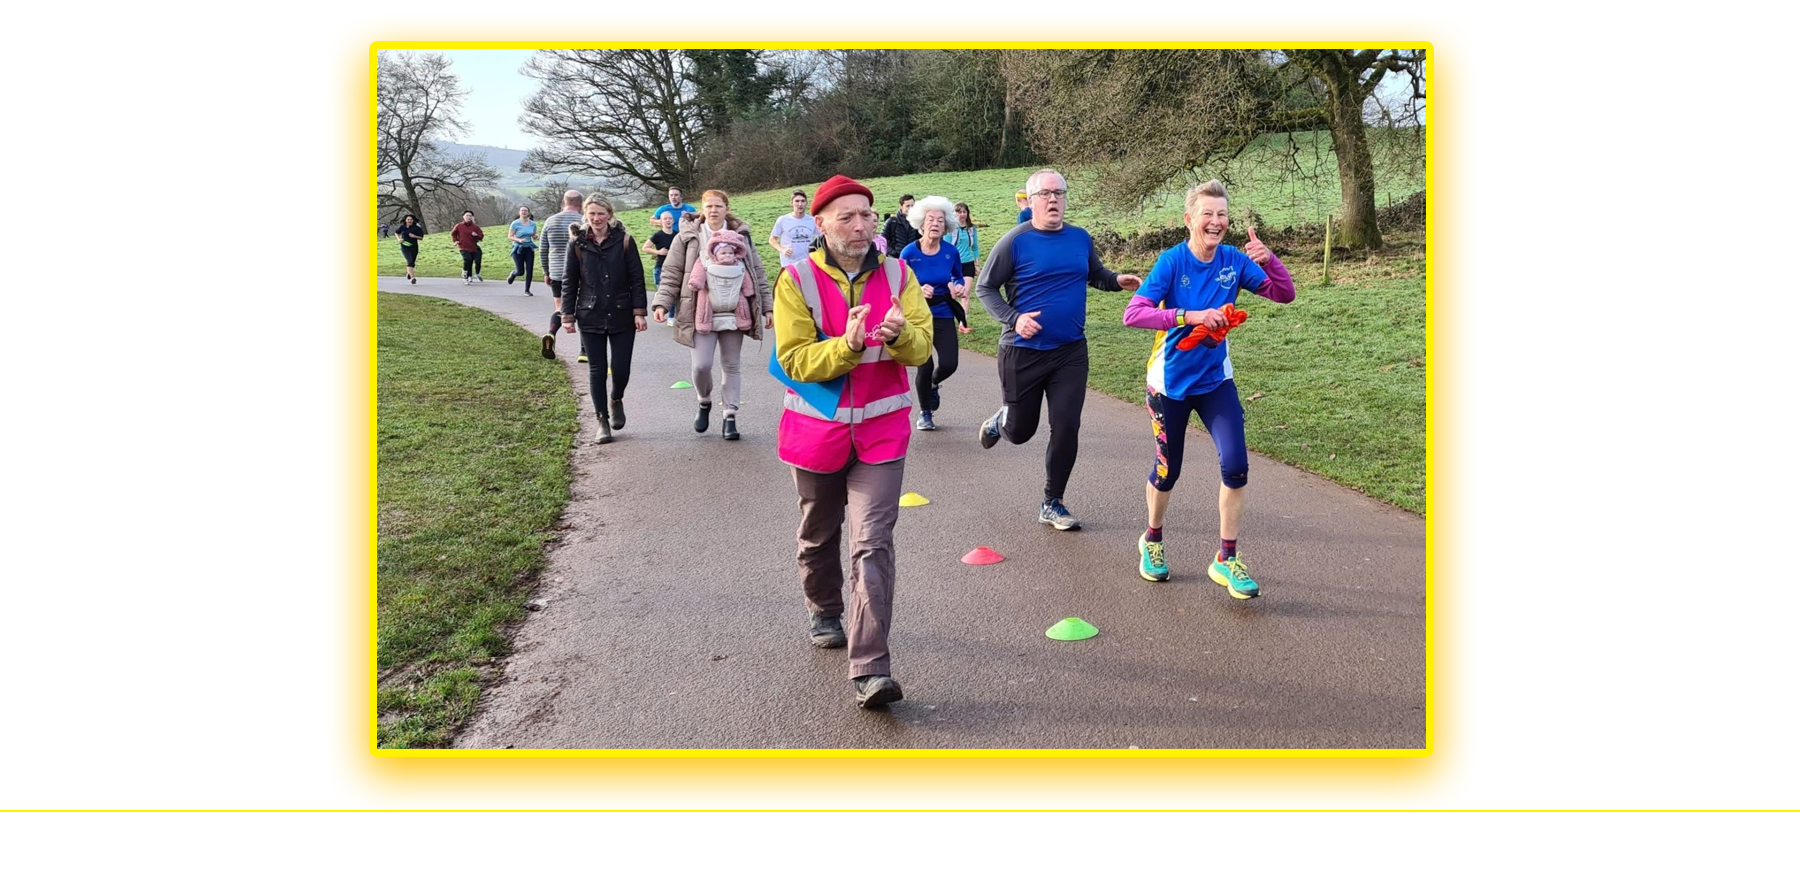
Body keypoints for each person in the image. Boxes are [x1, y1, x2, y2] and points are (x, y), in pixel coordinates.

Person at [772, 174, 932, 709]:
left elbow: (922, 347)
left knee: (872, 542)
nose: (860, 225)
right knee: (818, 533)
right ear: (820, 224)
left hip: (883, 434)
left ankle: (871, 667)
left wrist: (900, 336)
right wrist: (848, 343)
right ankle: (823, 608)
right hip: (817, 434)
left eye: (867, 214)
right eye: (847, 216)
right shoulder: (795, 280)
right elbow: (794, 360)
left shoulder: (900, 273)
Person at [1123, 180, 1294, 598]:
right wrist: (1189, 316)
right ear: (1189, 219)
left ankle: (1226, 559)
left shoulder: (1234, 260)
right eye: (1207, 214)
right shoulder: (1171, 262)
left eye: (1221, 215)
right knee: (1168, 472)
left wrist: (1270, 260)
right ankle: (1153, 541)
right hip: (1170, 386)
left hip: (1215, 380)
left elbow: (1283, 294)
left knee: (1236, 465)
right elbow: (1134, 314)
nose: (1215, 222)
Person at [973, 169, 1142, 531]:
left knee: (1066, 426)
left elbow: (1094, 273)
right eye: (1045, 193)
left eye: (1059, 193)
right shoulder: (1014, 242)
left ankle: (1053, 502)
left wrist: (1116, 281)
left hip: (1070, 351)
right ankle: (1000, 420)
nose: (1053, 199)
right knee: (1020, 432)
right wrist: (1014, 318)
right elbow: (985, 289)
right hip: (1022, 351)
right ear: (1030, 201)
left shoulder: (1080, 238)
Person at [652, 189, 772, 440]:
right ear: (702, 210)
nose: (714, 210)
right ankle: (704, 400)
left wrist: (768, 307)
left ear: (727, 208)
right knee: (702, 366)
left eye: (718, 206)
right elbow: (672, 272)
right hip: (700, 311)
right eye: (709, 206)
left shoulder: (742, 237)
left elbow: (757, 272)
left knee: (731, 365)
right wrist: (662, 303)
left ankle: (730, 416)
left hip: (734, 311)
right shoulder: (687, 236)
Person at [560, 195, 647, 444]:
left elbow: (637, 279)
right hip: (590, 314)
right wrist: (567, 316)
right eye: (592, 214)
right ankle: (602, 420)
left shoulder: (625, 241)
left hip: (621, 312)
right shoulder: (577, 244)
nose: (596, 219)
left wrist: (639, 312)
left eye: (601, 213)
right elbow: (570, 282)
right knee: (597, 370)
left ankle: (616, 397)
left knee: (621, 368)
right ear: (585, 215)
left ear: (609, 214)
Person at [897, 196, 967, 432]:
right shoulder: (909, 253)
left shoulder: (950, 251)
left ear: (946, 224)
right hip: (916, 316)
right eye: (930, 219)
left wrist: (958, 285)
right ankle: (925, 413)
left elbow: (957, 275)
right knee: (923, 366)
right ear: (921, 223)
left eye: (940, 220)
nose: (935, 224)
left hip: (943, 311)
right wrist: (917, 289)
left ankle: (934, 385)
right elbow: (898, 284)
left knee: (949, 363)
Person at [538, 190, 587, 360]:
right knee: (584, 308)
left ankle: (551, 334)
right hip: (581, 271)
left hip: (557, 271)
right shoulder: (583, 221)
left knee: (560, 307)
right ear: (581, 204)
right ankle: (584, 351)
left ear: (563, 202)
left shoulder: (550, 221)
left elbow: (543, 249)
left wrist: (546, 271)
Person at [769, 189, 818, 269]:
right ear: (791, 203)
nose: (800, 204)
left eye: (803, 201)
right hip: (789, 264)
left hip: (808, 263)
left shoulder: (812, 220)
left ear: (806, 203)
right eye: (797, 201)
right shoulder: (783, 220)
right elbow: (772, 239)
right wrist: (782, 250)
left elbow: (823, 237)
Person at [952, 202, 981, 308]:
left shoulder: (972, 229)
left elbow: (975, 248)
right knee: (953, 295)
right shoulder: (951, 229)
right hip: (953, 265)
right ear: (955, 214)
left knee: (965, 294)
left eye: (964, 212)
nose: (962, 214)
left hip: (968, 264)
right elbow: (946, 246)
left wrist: (977, 265)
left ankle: (963, 323)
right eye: (959, 212)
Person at [506, 206, 538, 296]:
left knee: (530, 269)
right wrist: (518, 240)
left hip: (529, 248)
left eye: (525, 211)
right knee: (520, 272)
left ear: (528, 213)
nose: (524, 212)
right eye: (522, 210)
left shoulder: (532, 224)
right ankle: (513, 274)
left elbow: (534, 234)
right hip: (518, 249)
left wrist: (536, 236)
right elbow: (510, 236)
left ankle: (527, 290)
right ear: (519, 212)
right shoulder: (515, 223)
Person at [450, 210, 485, 284]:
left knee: (471, 261)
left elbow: (481, 236)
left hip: (473, 247)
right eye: (467, 215)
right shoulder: (459, 226)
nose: (469, 217)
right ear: (463, 217)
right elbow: (453, 233)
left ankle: (469, 276)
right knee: (467, 259)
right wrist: (455, 241)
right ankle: (465, 274)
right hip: (463, 246)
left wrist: (477, 235)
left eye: (470, 216)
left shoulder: (475, 227)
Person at [647, 212, 675, 287]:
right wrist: (658, 252)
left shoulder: (677, 235)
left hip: (674, 268)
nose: (668, 220)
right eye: (665, 219)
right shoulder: (657, 235)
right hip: (660, 268)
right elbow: (645, 248)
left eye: (670, 218)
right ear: (661, 221)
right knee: (661, 295)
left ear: (673, 221)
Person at [396, 215, 425, 284]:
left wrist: (414, 236)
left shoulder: (417, 228)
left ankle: (409, 272)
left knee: (413, 262)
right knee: (410, 261)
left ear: (413, 220)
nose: (409, 221)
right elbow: (396, 233)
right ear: (405, 220)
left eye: (411, 219)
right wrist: (399, 239)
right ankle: (413, 278)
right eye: (408, 219)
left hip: (414, 246)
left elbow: (421, 238)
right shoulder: (402, 227)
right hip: (405, 246)